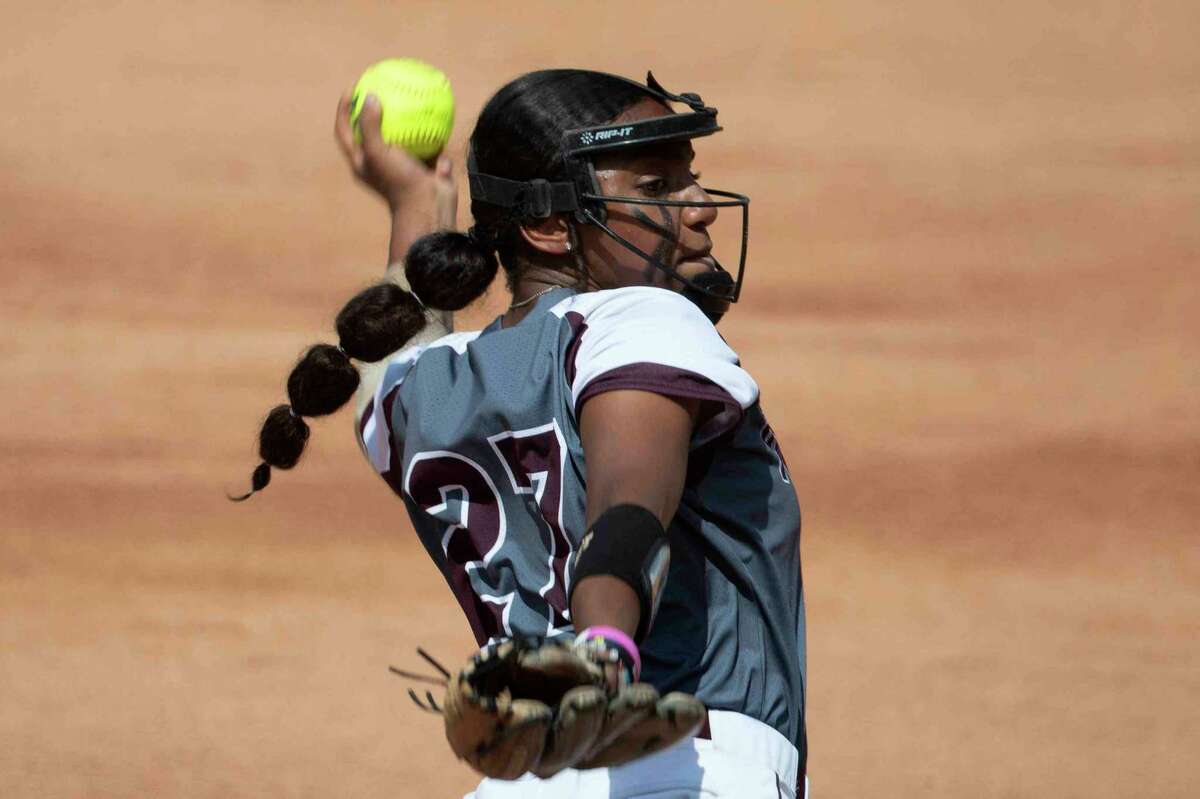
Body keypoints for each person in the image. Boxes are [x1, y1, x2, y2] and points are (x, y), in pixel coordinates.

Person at [238, 69, 807, 798]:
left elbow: (391, 353)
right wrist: (603, 650)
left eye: (691, 177)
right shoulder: (641, 322)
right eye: (657, 188)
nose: (701, 207)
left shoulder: (423, 390)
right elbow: (630, 510)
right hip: (686, 766)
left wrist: (413, 205)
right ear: (548, 226)